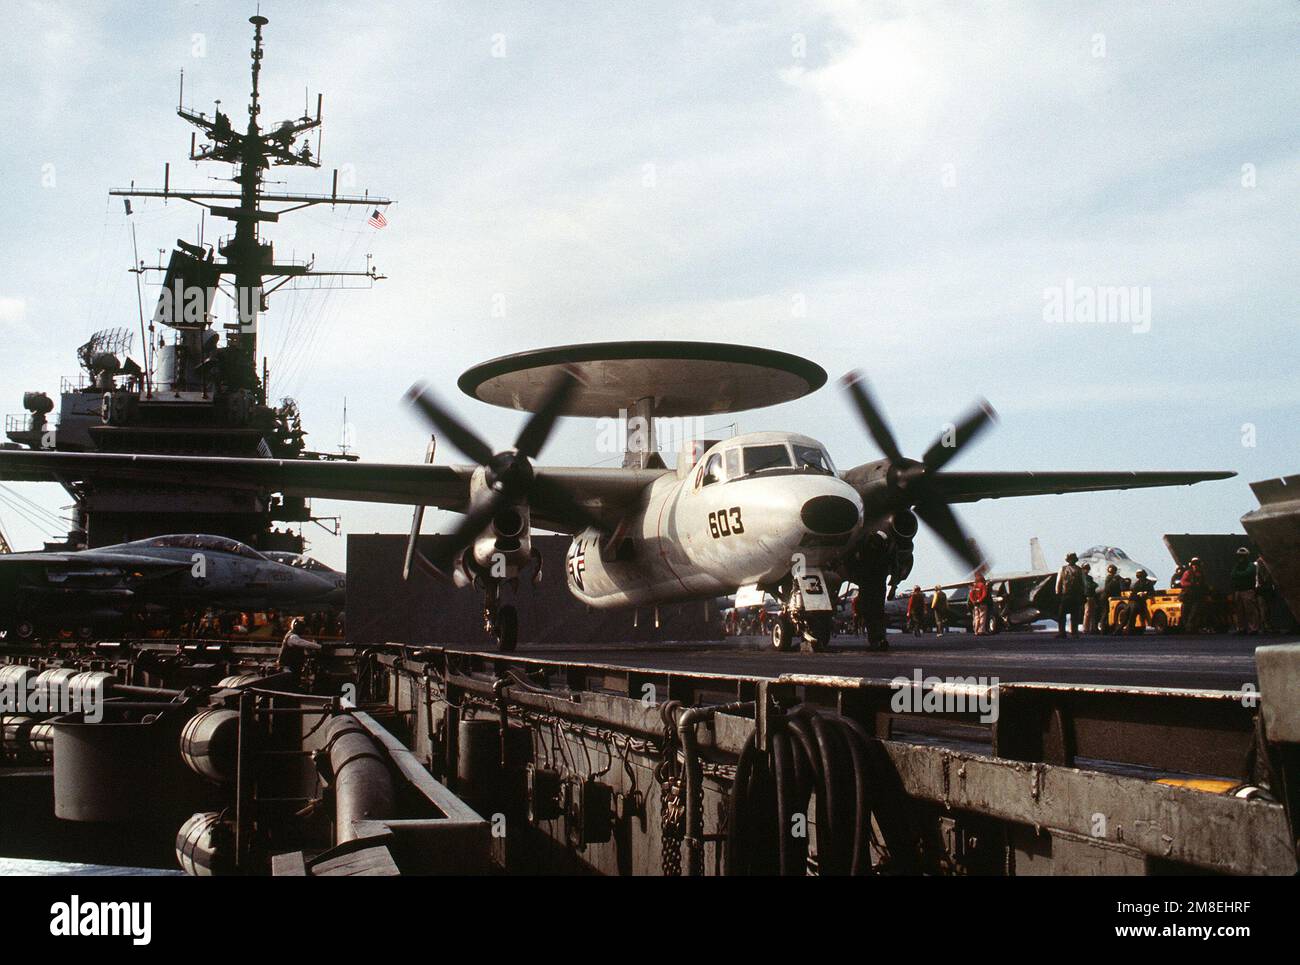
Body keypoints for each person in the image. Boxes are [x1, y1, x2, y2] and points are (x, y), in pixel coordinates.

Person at [1228, 548, 1259, 635]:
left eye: (1242, 556)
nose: (1240, 557)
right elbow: (1232, 574)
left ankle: (1253, 628)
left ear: (1246, 556)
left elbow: (1248, 573)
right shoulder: (1237, 565)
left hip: (1248, 590)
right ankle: (1241, 628)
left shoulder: (1251, 565)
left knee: (1250, 610)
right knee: (1239, 611)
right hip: (1238, 591)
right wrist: (1240, 575)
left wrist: (1239, 575)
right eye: (1239, 556)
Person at [1055, 552, 1084, 638]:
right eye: (1070, 559)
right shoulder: (1063, 569)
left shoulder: (1079, 570)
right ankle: (1062, 632)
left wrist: (1083, 593)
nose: (1071, 560)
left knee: (1075, 615)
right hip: (1066, 594)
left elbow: (1082, 583)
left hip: (1075, 595)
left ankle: (1074, 632)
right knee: (1061, 615)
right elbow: (1059, 581)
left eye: (1073, 559)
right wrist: (1057, 592)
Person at [1124, 569, 1156, 634]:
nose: (1139, 575)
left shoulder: (1148, 582)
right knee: (1128, 616)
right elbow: (1133, 593)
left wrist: (1145, 593)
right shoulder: (1137, 583)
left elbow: (1152, 592)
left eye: (1140, 574)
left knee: (1131, 616)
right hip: (1134, 602)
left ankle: (1129, 630)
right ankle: (1124, 630)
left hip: (1139, 602)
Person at [1179, 557, 1206, 633]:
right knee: (1186, 612)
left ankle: (1192, 627)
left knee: (1194, 612)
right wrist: (1192, 584)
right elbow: (1183, 582)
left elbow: (1203, 584)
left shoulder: (1201, 574)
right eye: (1194, 564)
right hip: (1188, 596)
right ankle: (1188, 627)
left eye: (1197, 564)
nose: (1195, 566)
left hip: (1197, 596)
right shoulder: (1188, 573)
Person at [1099, 564, 1125, 634]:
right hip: (1106, 598)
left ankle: (1108, 628)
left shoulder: (1115, 578)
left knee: (1108, 612)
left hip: (1109, 598)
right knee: (1105, 612)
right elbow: (1108, 588)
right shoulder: (1110, 578)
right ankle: (1103, 629)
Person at [1256, 555, 1277, 632]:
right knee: (1264, 609)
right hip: (1262, 591)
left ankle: (1267, 625)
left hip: (1266, 590)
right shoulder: (1258, 571)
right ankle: (1265, 625)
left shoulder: (1268, 570)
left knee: (1267, 609)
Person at [1080, 563, 1100, 634]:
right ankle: (1086, 629)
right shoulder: (1083, 577)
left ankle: (1092, 628)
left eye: (1087, 568)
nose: (1086, 570)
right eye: (1085, 568)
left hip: (1091, 596)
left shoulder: (1088, 577)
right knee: (1088, 613)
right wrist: (1094, 585)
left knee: (1092, 613)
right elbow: (1089, 585)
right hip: (1087, 596)